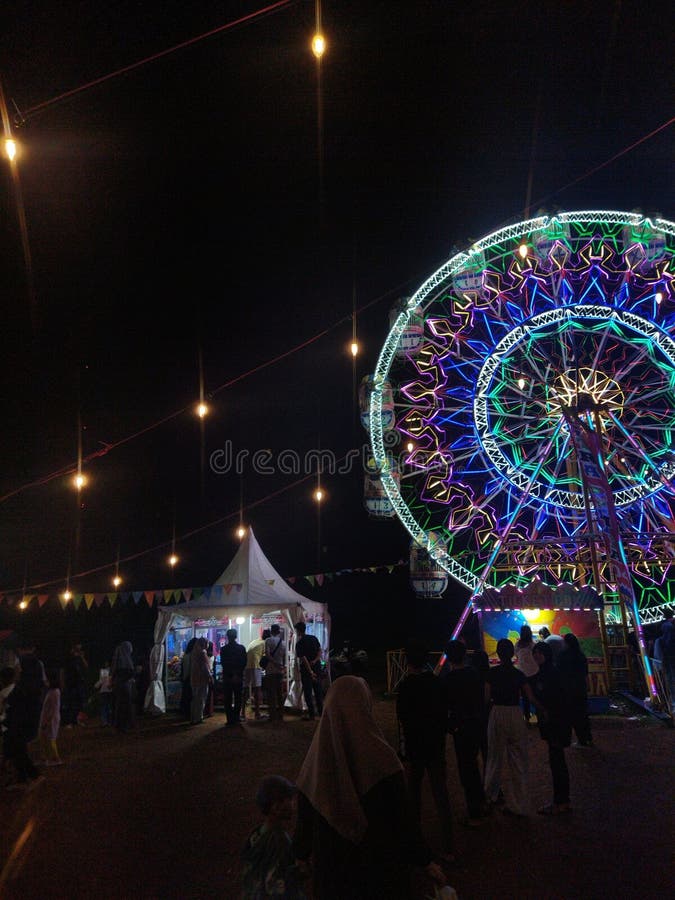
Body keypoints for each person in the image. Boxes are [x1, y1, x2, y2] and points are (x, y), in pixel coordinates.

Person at [293, 675, 446, 899]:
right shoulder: (383, 760)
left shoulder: (314, 764)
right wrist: (425, 860)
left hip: (333, 877)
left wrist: (300, 854)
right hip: (381, 874)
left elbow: (305, 819)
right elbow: (404, 819)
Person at [397, 639, 454, 860]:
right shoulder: (437, 683)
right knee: (441, 794)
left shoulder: (405, 686)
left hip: (414, 746)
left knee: (413, 795)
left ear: (408, 662)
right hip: (435, 745)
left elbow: (402, 719)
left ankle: (415, 844)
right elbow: (444, 711)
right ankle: (448, 845)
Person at [483, 638, 534, 817]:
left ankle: (489, 797)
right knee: (519, 760)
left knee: (494, 758)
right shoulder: (519, 675)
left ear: (498, 653)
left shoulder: (492, 674)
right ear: (512, 654)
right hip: (515, 714)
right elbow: (530, 696)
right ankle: (519, 804)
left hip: (497, 712)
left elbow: (485, 697)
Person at [441, 640, 487, 827]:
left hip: (461, 726)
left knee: (466, 767)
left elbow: (446, 705)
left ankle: (475, 812)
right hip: (477, 723)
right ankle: (481, 802)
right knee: (473, 763)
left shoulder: (449, 680)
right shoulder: (474, 674)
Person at [241, 775, 307, 899]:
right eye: (289, 800)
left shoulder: (257, 834)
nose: (293, 804)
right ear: (276, 807)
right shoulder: (279, 840)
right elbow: (277, 886)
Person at [531, 641, 572, 815]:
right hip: (555, 722)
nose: (536, 656)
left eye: (539, 653)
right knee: (557, 761)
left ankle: (560, 802)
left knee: (557, 762)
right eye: (535, 653)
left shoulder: (549, 674)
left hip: (554, 723)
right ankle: (562, 800)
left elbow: (552, 697)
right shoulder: (549, 672)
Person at [557, 633, 593, 747]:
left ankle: (571, 740)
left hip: (567, 689)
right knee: (582, 714)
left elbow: (559, 672)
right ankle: (586, 738)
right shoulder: (580, 655)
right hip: (580, 688)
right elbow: (585, 673)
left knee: (569, 716)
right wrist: (587, 686)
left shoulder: (562, 655)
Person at [16, 641, 48, 741]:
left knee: (22, 715)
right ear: (33, 649)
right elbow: (44, 681)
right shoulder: (39, 662)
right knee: (34, 716)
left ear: (20, 649)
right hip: (35, 693)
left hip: (22, 693)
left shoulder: (18, 661)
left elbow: (16, 678)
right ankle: (33, 737)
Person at [294, 622, 323, 721]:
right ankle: (321, 713)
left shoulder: (299, 643)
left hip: (307, 671)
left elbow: (303, 658)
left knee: (308, 693)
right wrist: (315, 661)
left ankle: (312, 715)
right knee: (318, 691)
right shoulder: (313, 638)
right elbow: (320, 651)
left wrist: (310, 671)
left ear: (298, 630)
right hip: (317, 668)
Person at [220, 629, 247, 726]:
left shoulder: (224, 649)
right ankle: (236, 717)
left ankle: (230, 719)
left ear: (227, 637)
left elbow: (224, 663)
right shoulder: (241, 648)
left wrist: (231, 674)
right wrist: (237, 673)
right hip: (238, 676)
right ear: (236, 636)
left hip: (227, 676)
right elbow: (244, 662)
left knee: (227, 698)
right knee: (238, 697)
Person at [514, 625, 539, 724]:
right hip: (534, 673)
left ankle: (527, 718)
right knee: (536, 696)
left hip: (522, 674)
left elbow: (516, 656)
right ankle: (539, 716)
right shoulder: (533, 645)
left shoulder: (517, 645)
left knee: (525, 698)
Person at [61, 642, 89, 728]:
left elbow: (86, 666)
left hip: (79, 683)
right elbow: (62, 671)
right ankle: (69, 722)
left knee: (80, 703)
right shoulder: (68, 658)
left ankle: (78, 720)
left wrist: (82, 656)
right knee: (70, 703)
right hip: (70, 683)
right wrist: (62, 683)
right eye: (77, 648)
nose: (78, 649)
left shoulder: (80, 658)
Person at [111, 640, 136, 733]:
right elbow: (131, 673)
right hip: (125, 686)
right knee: (125, 705)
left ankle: (119, 725)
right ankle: (125, 725)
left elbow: (113, 671)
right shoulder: (128, 661)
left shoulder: (118, 659)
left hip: (119, 685)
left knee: (119, 705)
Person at [39, 669, 63, 766]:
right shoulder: (51, 691)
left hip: (50, 719)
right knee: (44, 738)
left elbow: (54, 709)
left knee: (50, 738)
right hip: (47, 718)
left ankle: (55, 758)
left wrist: (48, 721)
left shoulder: (55, 692)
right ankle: (46, 758)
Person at [264, 625, 287, 723]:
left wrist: (274, 663)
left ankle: (272, 715)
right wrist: (282, 666)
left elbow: (267, 655)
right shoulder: (283, 642)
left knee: (271, 694)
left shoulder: (268, 640)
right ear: (278, 631)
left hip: (270, 670)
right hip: (280, 670)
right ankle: (281, 715)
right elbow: (285, 657)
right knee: (279, 693)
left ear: (271, 631)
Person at [244, 632, 267, 721]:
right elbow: (266, 656)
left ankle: (242, 713)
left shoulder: (255, 641)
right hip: (255, 665)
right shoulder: (264, 643)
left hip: (247, 666)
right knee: (257, 689)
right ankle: (257, 713)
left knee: (246, 688)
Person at [190, 637, 213, 725]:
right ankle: (199, 717)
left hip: (194, 678)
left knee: (195, 698)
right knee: (201, 698)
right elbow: (205, 667)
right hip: (201, 679)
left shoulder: (194, 652)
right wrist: (210, 676)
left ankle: (193, 717)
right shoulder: (202, 652)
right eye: (207, 643)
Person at [179, 637, 196, 720]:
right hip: (190, 678)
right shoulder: (192, 655)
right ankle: (189, 714)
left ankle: (185, 713)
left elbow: (183, 668)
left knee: (186, 696)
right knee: (190, 697)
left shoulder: (186, 655)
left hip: (186, 678)